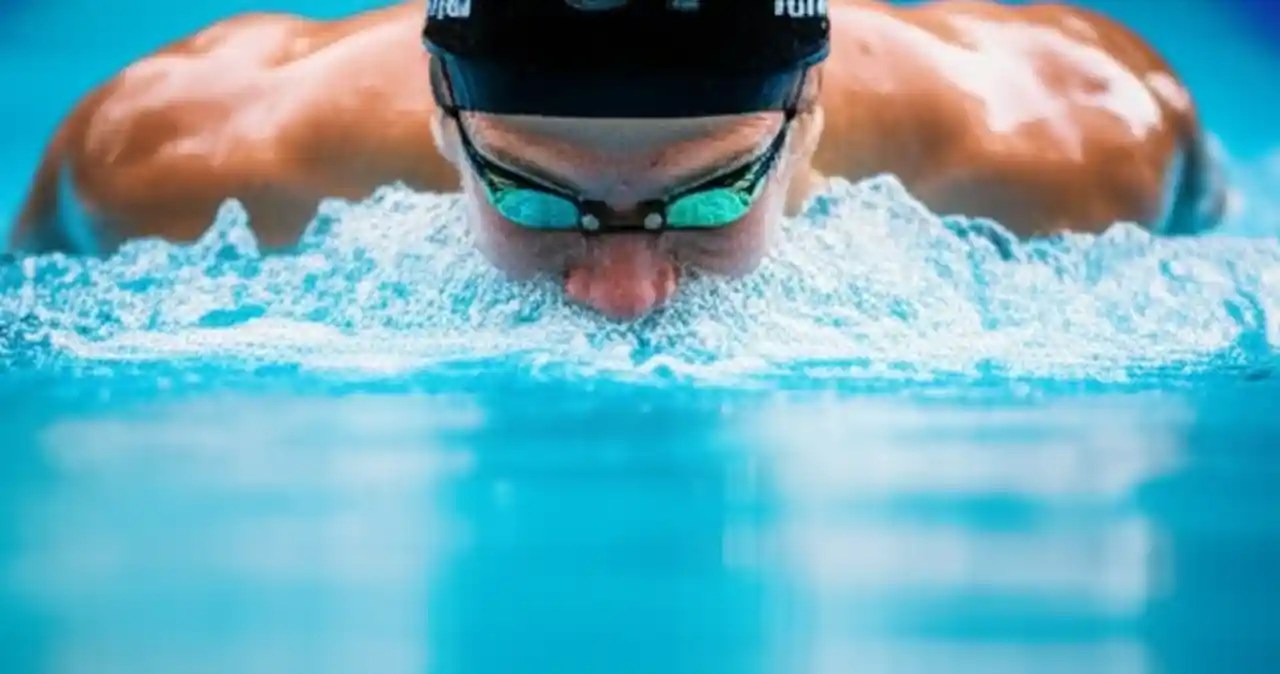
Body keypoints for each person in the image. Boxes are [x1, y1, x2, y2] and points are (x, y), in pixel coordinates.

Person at [7, 0, 1225, 320]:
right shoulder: (163, 168)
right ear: (440, 113)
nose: (624, 295)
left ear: (809, 107)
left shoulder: (1079, 143)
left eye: (708, 197)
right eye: (535, 193)